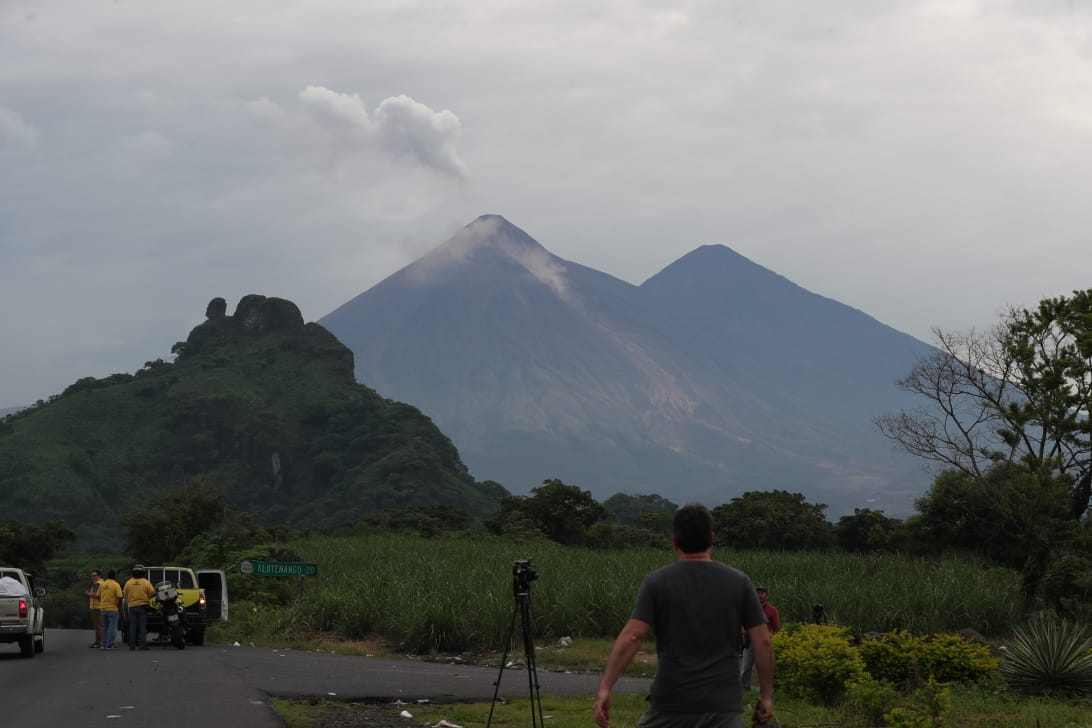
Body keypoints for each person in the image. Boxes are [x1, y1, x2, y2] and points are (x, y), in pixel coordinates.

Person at [594, 503, 774, 728]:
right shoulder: (740, 582)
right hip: (724, 706)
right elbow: (763, 642)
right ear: (711, 538)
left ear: (675, 541)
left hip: (671, 703)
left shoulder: (657, 582)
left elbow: (633, 636)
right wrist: (766, 696)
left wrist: (605, 687)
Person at [740, 586, 780, 692]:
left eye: (762, 593)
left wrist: (776, 640)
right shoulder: (749, 608)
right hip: (750, 640)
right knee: (746, 666)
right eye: (757, 593)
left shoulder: (772, 610)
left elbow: (776, 627)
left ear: (766, 596)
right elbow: (741, 621)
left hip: (764, 641)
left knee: (764, 666)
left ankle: (766, 689)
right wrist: (743, 631)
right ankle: (744, 687)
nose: (759, 595)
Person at [122, 564, 156, 651]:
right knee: (142, 627)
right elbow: (152, 592)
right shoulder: (145, 582)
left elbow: (125, 595)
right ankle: (143, 645)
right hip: (143, 607)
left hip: (132, 607)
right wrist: (147, 597)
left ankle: (132, 645)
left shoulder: (128, 582)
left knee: (132, 627)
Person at [97, 569, 124, 649]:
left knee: (104, 627)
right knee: (112, 627)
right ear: (115, 575)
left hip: (103, 608)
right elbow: (120, 597)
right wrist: (119, 607)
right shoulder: (116, 585)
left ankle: (103, 644)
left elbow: (98, 596)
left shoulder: (103, 584)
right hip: (113, 609)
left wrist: (102, 602)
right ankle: (110, 644)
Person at [86, 569, 103, 648]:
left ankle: (98, 642)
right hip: (100, 606)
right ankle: (100, 641)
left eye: (94, 575)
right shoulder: (102, 582)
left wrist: (88, 594)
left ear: (99, 576)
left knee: (97, 626)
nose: (92, 577)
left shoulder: (97, 584)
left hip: (96, 607)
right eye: (92, 575)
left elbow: (95, 595)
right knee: (100, 625)